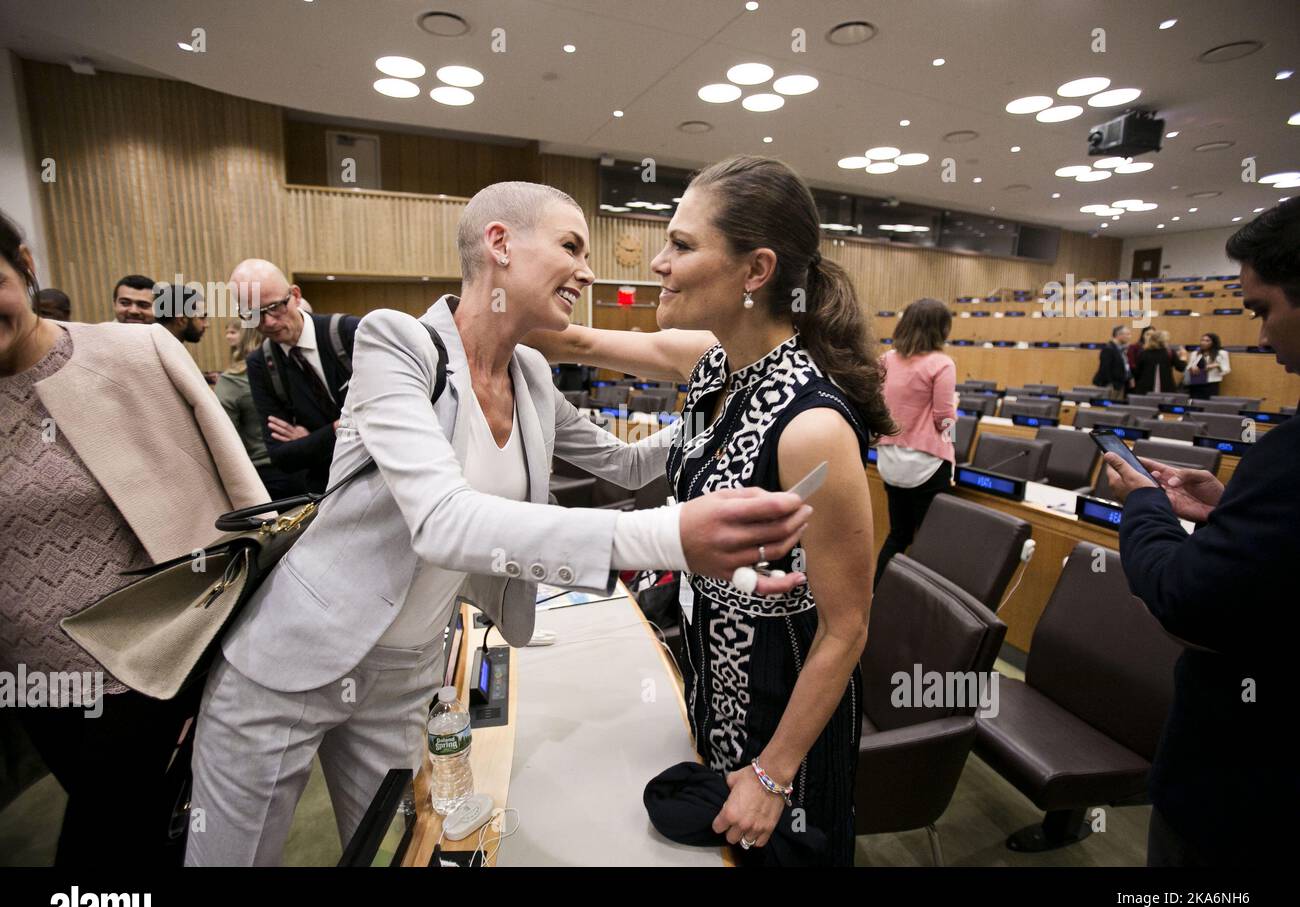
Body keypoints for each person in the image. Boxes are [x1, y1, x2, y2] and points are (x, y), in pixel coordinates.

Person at [185, 181, 811, 867]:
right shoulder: (397, 343)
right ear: (500, 244)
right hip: (293, 660)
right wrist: (669, 537)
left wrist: (714, 411)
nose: (588, 268)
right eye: (571, 245)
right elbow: (442, 520)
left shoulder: (534, 378)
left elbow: (628, 466)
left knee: (397, 854)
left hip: (403, 673)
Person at [526, 155, 893, 865]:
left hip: (781, 717)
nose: (658, 263)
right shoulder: (713, 365)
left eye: (683, 245)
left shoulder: (812, 426)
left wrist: (771, 773)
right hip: (711, 691)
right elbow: (571, 339)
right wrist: (465, 316)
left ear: (756, 271)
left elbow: (847, 628)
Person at [0, 211, 266, 867]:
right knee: (149, 831)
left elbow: (240, 498)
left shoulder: (134, 353)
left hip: (150, 668)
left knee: (105, 841)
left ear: (25, 268)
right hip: (34, 687)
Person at [1099, 200, 1300, 865]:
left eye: (1264, 309)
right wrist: (1228, 513)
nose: (1263, 335)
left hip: (1246, 791)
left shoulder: (1290, 456)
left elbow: (1189, 600)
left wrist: (1146, 505)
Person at [234, 260, 359, 494]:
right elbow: (282, 457)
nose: (268, 322)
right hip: (328, 489)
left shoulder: (348, 332)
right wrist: (337, 428)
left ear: (296, 295)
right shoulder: (260, 364)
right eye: (253, 314)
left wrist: (312, 439)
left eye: (275, 307)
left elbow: (385, 417)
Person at [873, 298, 956, 586]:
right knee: (931, 541)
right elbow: (943, 420)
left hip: (889, 461)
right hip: (926, 464)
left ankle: (878, 596)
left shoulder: (885, 359)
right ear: (940, 329)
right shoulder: (942, 363)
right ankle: (921, 605)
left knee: (898, 535)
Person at [216, 322, 306, 498]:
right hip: (305, 463)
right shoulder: (296, 367)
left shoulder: (232, 381)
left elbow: (223, 436)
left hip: (265, 474)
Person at [1131, 329, 1187, 394]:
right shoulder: (1169, 353)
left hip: (1144, 388)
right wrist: (1183, 357)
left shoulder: (1143, 353)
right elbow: (1181, 368)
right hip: (1166, 388)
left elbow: (1136, 372)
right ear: (1163, 342)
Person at [1183, 332, 1229, 400]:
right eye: (1202, 340)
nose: (1203, 342)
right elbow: (1188, 367)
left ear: (1214, 342)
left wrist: (1217, 366)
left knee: (1208, 404)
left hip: (1211, 384)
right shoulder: (1195, 353)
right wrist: (1192, 368)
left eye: (1207, 341)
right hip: (1195, 383)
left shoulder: (1221, 353)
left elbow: (1226, 370)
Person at [1092, 323, 1133, 400]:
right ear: (1119, 335)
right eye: (1127, 334)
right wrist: (1111, 385)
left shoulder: (1120, 349)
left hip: (1119, 385)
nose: (1129, 337)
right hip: (1111, 386)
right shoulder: (1109, 349)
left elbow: (1125, 365)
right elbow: (1105, 369)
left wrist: (1129, 377)